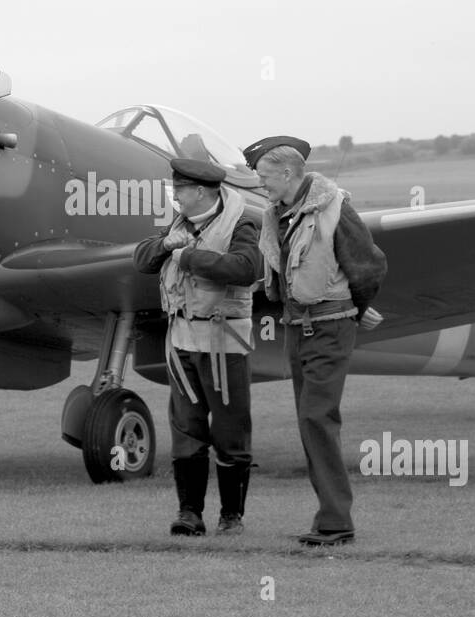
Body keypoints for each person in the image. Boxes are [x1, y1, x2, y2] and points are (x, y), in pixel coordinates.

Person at [243, 136, 387, 547]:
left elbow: (370, 266)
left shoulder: (334, 208)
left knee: (317, 418)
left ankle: (337, 522)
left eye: (265, 177)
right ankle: (327, 520)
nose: (261, 185)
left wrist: (355, 308)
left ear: (288, 174)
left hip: (328, 327)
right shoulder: (281, 213)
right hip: (298, 327)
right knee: (311, 420)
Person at [133, 158, 262, 536]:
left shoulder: (243, 223)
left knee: (230, 432)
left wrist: (188, 257)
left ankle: (231, 516)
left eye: (181, 191)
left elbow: (246, 267)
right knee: (186, 430)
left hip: (225, 347)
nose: (176, 197)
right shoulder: (178, 225)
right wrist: (163, 244)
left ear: (202, 192)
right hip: (182, 345)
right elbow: (141, 259)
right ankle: (189, 513)